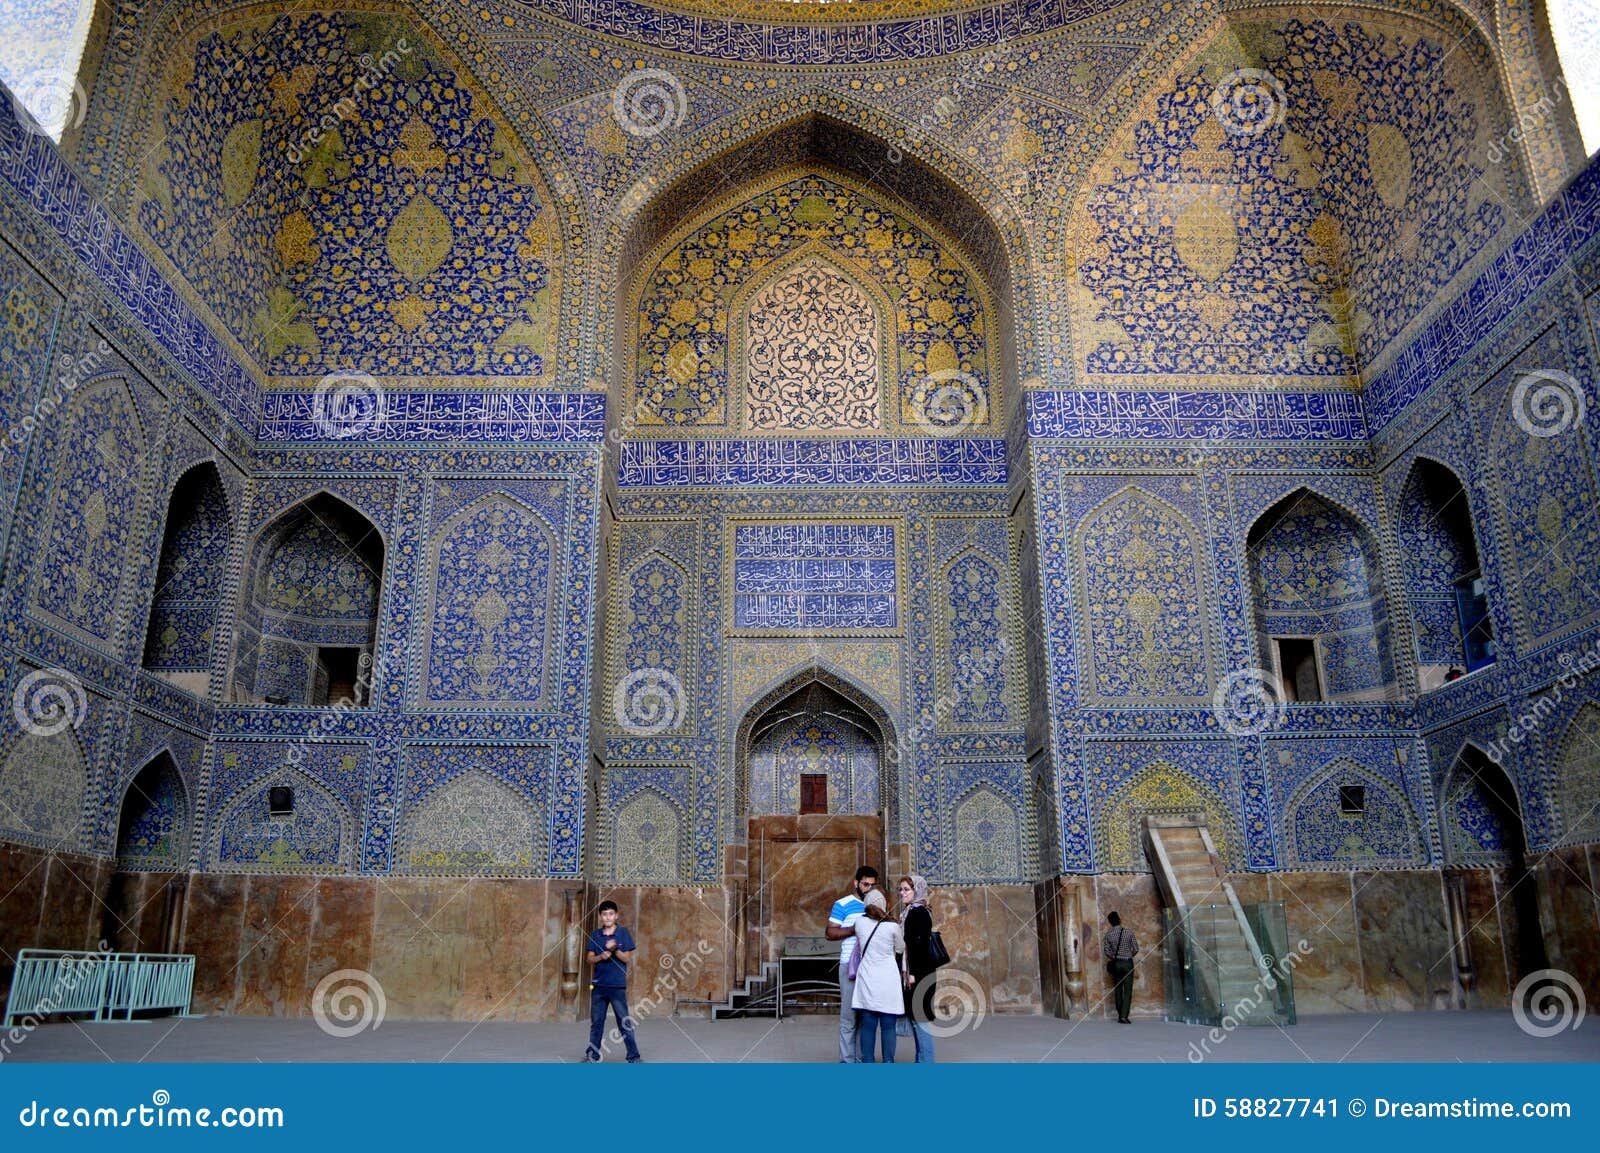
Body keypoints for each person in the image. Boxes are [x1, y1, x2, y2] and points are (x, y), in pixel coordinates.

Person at [825, 865, 878, 1062]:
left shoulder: (876, 903)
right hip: (850, 965)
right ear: (856, 883)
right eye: (865, 884)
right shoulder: (843, 904)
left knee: (866, 1017)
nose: (869, 889)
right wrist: (855, 930)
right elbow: (830, 932)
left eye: (873, 885)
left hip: (871, 967)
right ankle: (847, 1061)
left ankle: (861, 1059)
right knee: (848, 1017)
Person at [584, 900, 642, 1062]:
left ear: (616, 916)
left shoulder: (623, 933)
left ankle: (633, 1055)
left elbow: (627, 958)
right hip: (598, 986)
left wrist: (615, 949)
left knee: (624, 1023)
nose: (607, 917)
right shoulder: (596, 935)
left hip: (617, 986)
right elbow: (589, 959)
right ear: (600, 917)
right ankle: (592, 1054)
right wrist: (601, 956)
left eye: (611, 914)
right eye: (604, 914)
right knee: (597, 1023)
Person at [851, 889, 905, 1062]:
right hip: (888, 980)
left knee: (868, 1025)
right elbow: (900, 949)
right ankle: (888, 1062)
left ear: (866, 904)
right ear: (884, 904)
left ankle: (868, 1061)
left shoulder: (859, 923)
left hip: (867, 979)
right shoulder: (892, 926)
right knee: (888, 1026)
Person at [898, 874, 938, 1062]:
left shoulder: (918, 912)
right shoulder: (911, 911)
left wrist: (912, 973)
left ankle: (926, 1062)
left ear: (917, 890)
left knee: (920, 1021)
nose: (902, 893)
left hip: (919, 973)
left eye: (906, 889)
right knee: (916, 1019)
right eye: (901, 889)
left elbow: (919, 946)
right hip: (917, 972)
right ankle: (921, 1060)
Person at [1103, 910, 1138, 1024]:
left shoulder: (1108, 934)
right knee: (1127, 990)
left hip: (1116, 963)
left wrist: (1115, 957)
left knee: (1118, 989)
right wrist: (1128, 955)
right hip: (1127, 962)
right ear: (1119, 919)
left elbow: (1106, 951)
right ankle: (1124, 1016)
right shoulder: (1128, 932)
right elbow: (1136, 948)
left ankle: (1120, 1014)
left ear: (1110, 922)